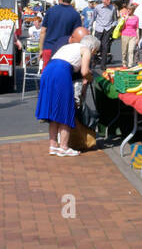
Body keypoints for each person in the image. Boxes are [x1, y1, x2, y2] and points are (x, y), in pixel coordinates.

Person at [36, 26, 98, 157]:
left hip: (48, 71)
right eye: (95, 52)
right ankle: (63, 147)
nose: (93, 55)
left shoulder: (68, 46)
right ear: (92, 48)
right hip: (61, 73)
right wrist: (91, 77)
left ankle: (53, 146)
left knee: (53, 111)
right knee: (65, 110)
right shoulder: (86, 50)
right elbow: (84, 72)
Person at [40, 0, 82, 67]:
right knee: (62, 73)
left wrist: (41, 49)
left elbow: (43, 31)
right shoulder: (75, 14)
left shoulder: (50, 11)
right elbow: (77, 36)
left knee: (47, 73)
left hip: (49, 47)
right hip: (65, 50)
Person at [91, 0, 117, 69]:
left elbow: (115, 20)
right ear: (103, 1)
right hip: (99, 29)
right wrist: (90, 27)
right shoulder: (97, 7)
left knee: (105, 47)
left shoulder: (113, 8)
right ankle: (93, 61)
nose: (110, 1)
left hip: (107, 29)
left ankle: (103, 64)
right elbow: (93, 18)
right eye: (108, 0)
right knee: (96, 46)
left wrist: (113, 26)